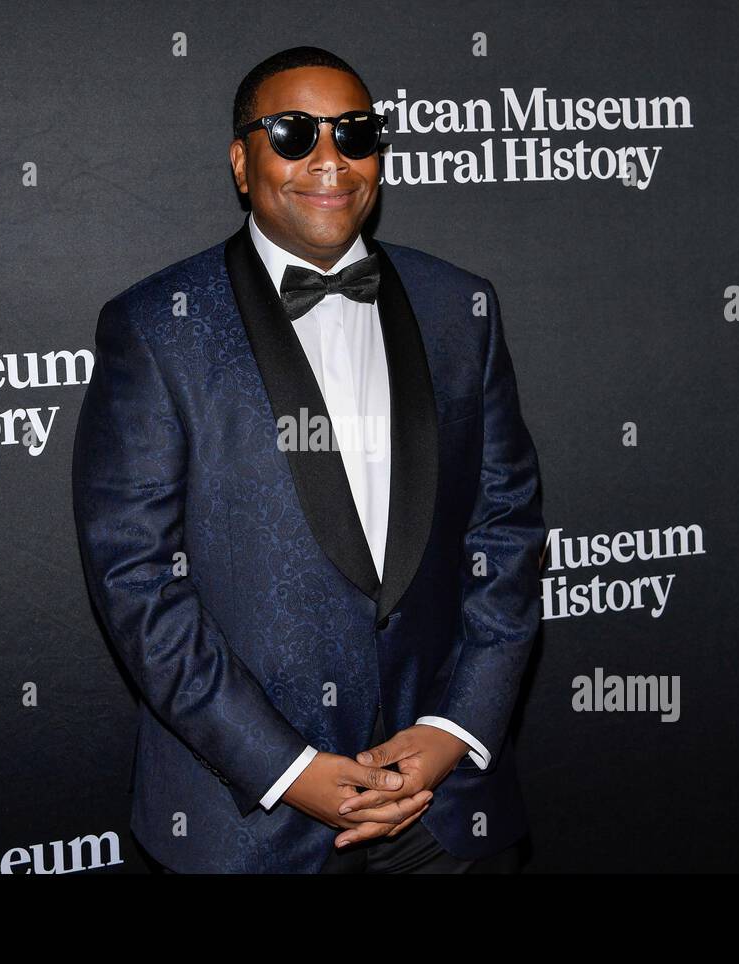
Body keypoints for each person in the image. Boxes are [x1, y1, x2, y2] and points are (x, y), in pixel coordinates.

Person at [71, 45, 545, 873]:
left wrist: (451, 733)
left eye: (354, 133)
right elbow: (136, 579)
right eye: (293, 133)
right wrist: (289, 770)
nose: (329, 159)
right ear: (241, 162)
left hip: (442, 814)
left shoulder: (461, 308)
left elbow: (505, 530)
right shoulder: (156, 327)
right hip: (242, 823)